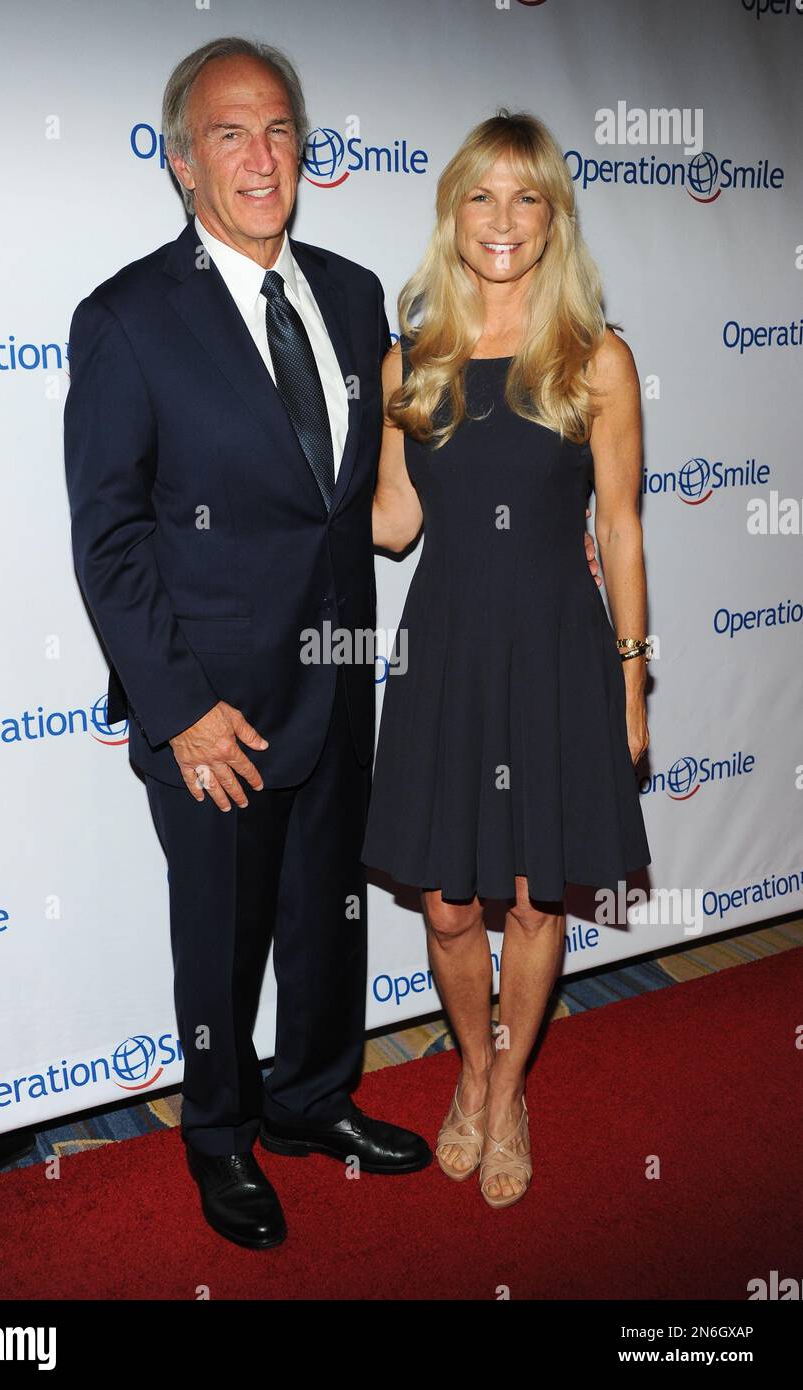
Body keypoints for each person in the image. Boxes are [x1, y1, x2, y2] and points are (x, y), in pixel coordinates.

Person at [63, 36, 434, 1252]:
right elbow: (110, 537)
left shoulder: (354, 293)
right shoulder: (127, 319)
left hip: (336, 682)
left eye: (278, 129)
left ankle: (312, 1099)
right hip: (213, 707)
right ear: (183, 161)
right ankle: (218, 1132)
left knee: (329, 921)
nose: (261, 157)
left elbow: (376, 490)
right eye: (230, 134)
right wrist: (176, 709)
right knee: (220, 946)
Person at [363, 111, 652, 1210]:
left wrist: (631, 681)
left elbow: (620, 528)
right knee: (446, 906)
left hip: (553, 654)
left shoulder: (595, 357)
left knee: (532, 900)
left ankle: (510, 1086)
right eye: (481, 195)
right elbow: (392, 521)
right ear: (452, 213)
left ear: (553, 216)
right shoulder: (411, 358)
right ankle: (472, 1068)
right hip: (443, 656)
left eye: (525, 195)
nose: (502, 218)